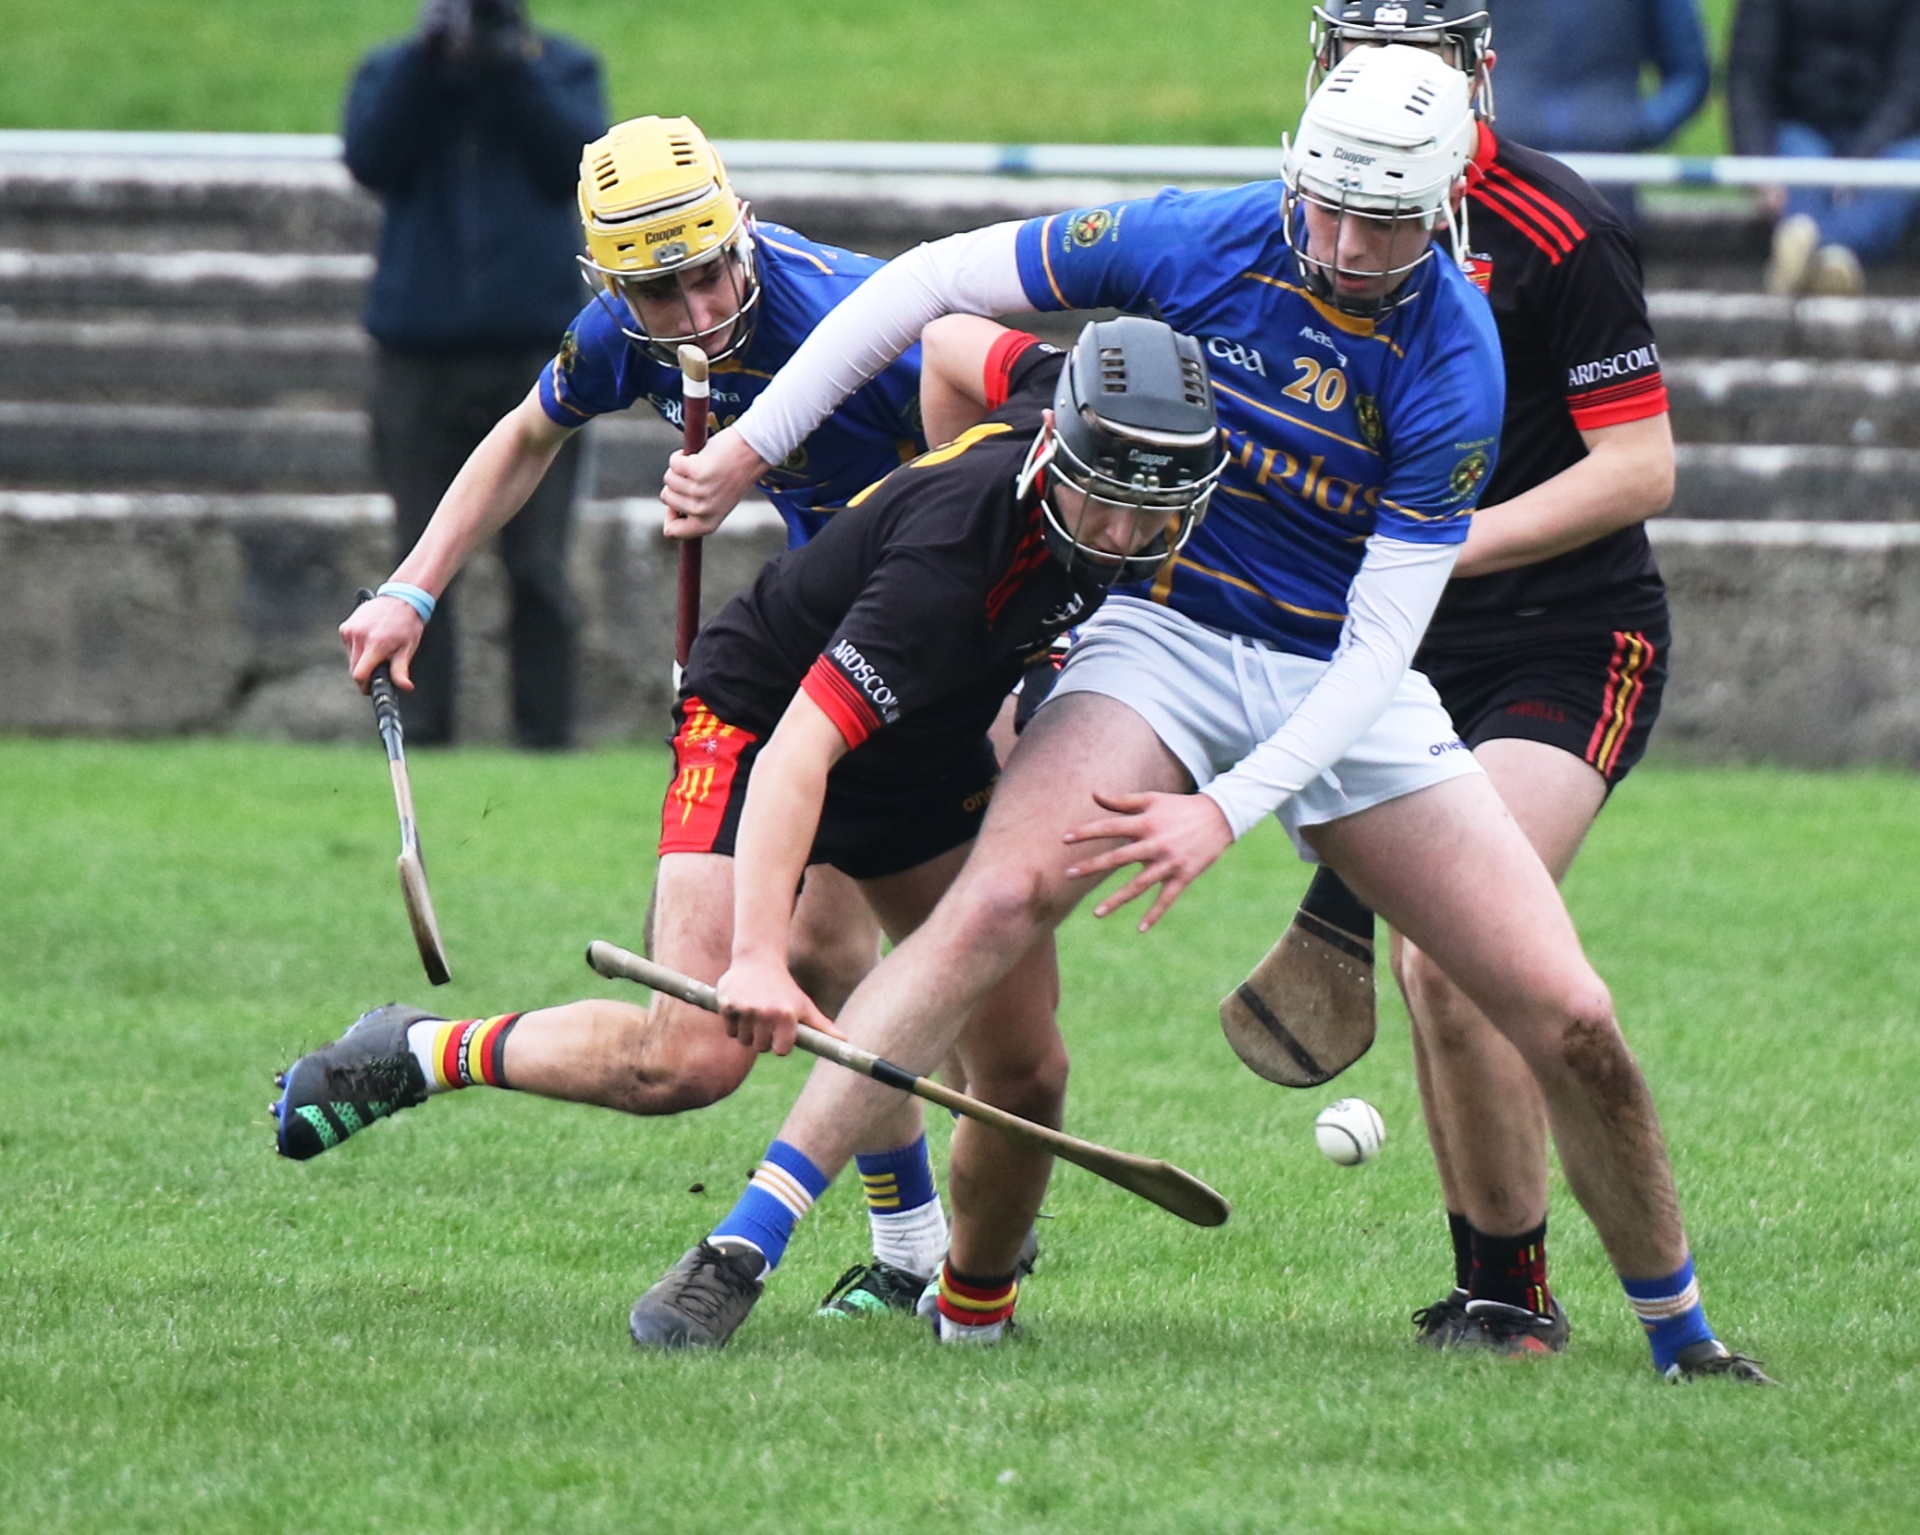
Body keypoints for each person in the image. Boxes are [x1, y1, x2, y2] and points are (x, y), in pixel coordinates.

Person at [633, 44, 1765, 1381]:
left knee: (1570, 1011)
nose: (1342, 245)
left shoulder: (1456, 355)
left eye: (1380, 222)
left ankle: (1681, 1336)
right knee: (991, 905)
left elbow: (1378, 647)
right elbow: (932, 282)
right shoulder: (1207, 235)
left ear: (1444, 200)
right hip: (1159, 634)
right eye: (1326, 207)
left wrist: (1223, 812)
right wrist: (755, 446)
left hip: (1337, 661)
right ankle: (742, 1245)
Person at [280, 314, 1225, 1343]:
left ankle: (969, 1314)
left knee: (1026, 1067)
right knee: (687, 1060)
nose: (1122, 537)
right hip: (759, 721)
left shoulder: (1079, 401)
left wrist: (936, 443)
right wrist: (756, 958)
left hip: (921, 747)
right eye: (1106, 500)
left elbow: (952, 338)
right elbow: (797, 758)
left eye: (1154, 511)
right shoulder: (949, 562)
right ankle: (418, 1049)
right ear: (1055, 447)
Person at [1277, 0, 1757, 1372]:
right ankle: (1502, 1296)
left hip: (1567, 636)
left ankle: (1556, 1305)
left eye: (1412, 65)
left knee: (1452, 953)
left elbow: (1640, 469)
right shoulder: (1302, 215)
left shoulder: (1556, 227)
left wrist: (1440, 547)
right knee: (1444, 968)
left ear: (1473, 75)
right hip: (1402, 648)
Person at [340, 113, 938, 1062]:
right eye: (661, 292)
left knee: (883, 958)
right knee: (824, 956)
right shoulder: (617, 332)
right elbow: (527, 435)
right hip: (828, 625)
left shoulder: (852, 316)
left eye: (710, 272)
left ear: (741, 228)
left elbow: (980, 468)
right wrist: (411, 589)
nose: (699, 314)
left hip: (924, 619)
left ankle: (905, 1214)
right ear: (612, 285)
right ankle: (903, 1220)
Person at [344, 0, 607, 749]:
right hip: (416, 353)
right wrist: (431, 65)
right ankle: (422, 730)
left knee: (541, 565)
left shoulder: (559, 67)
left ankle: (546, 734)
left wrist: (511, 70)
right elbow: (370, 155)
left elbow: (577, 164)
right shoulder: (400, 71)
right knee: (421, 553)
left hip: (535, 354)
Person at [1730, 0, 1920, 296]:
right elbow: (1750, 74)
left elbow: (1910, 85)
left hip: (1890, 142)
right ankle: (1834, 259)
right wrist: (1755, 161)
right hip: (1800, 131)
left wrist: (1863, 158)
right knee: (1799, 160)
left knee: (1904, 172)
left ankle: (1805, 254)